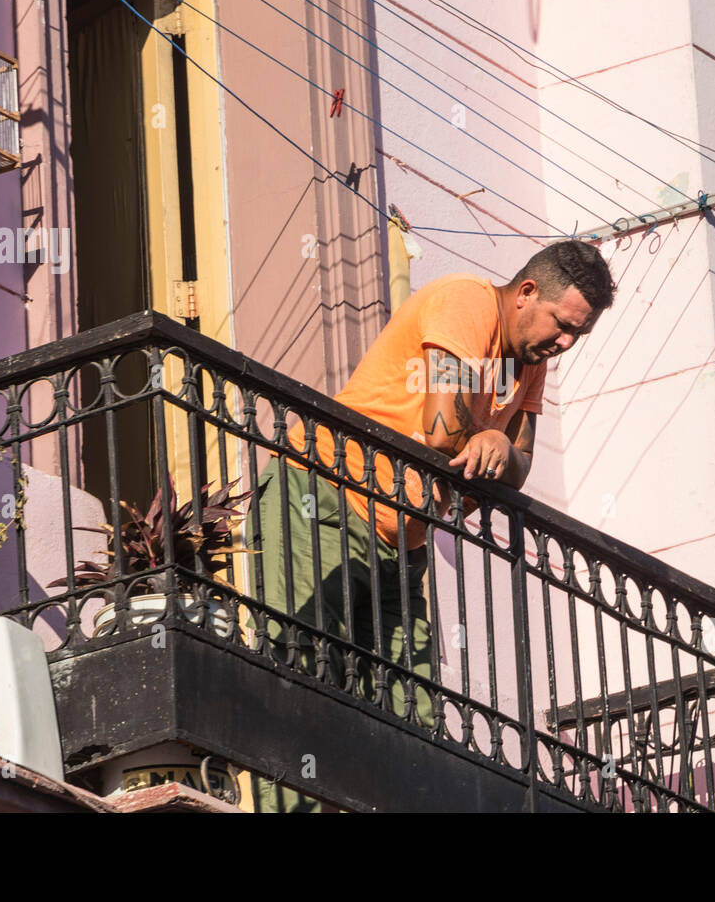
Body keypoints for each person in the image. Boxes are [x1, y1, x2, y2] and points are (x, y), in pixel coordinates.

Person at [245, 238, 615, 811]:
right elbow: (441, 427)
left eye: (578, 335)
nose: (564, 342)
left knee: (410, 711)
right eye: (562, 325)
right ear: (525, 293)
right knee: (305, 672)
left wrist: (496, 441)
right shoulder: (464, 300)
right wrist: (488, 439)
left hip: (402, 539)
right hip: (322, 497)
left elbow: (518, 466)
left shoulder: (528, 363)